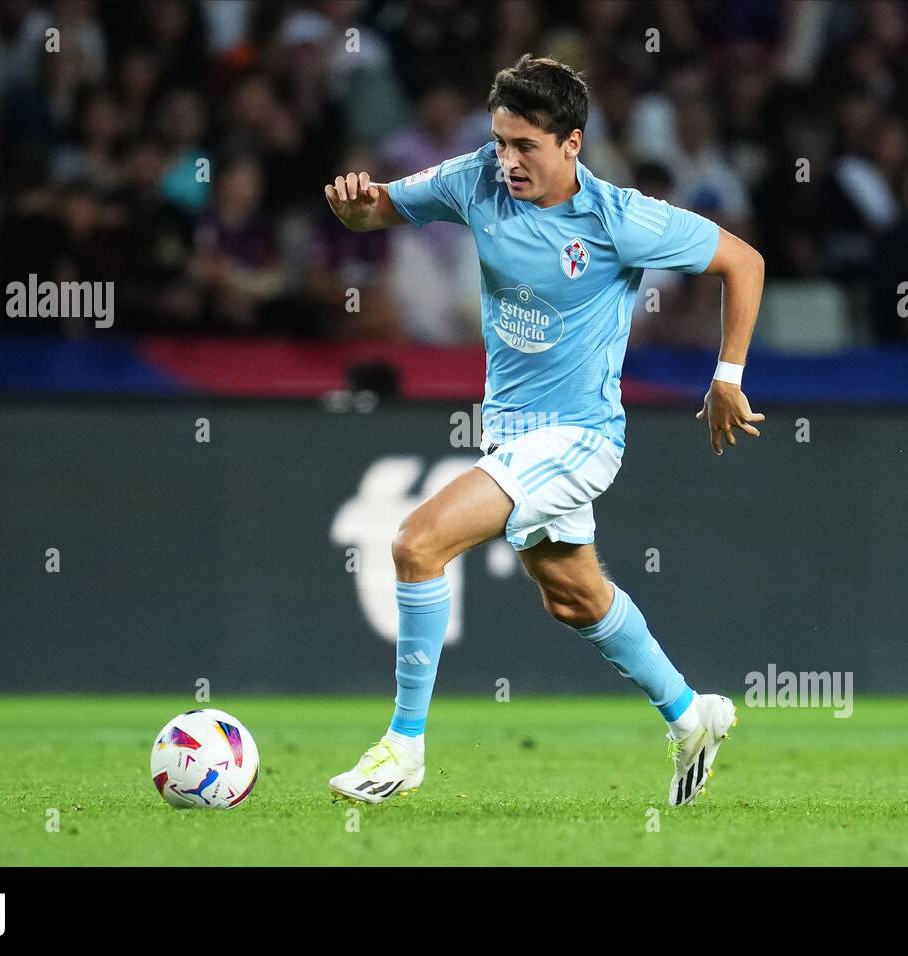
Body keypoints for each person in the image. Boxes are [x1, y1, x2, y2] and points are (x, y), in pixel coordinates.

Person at [322, 55, 766, 807]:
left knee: (416, 543)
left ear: (572, 143)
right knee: (573, 597)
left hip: (580, 439)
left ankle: (402, 747)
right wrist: (353, 207)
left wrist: (727, 377)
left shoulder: (619, 219)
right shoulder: (477, 180)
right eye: (500, 141)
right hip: (513, 437)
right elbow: (381, 209)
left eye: (525, 145)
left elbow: (742, 261)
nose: (508, 160)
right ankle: (694, 716)